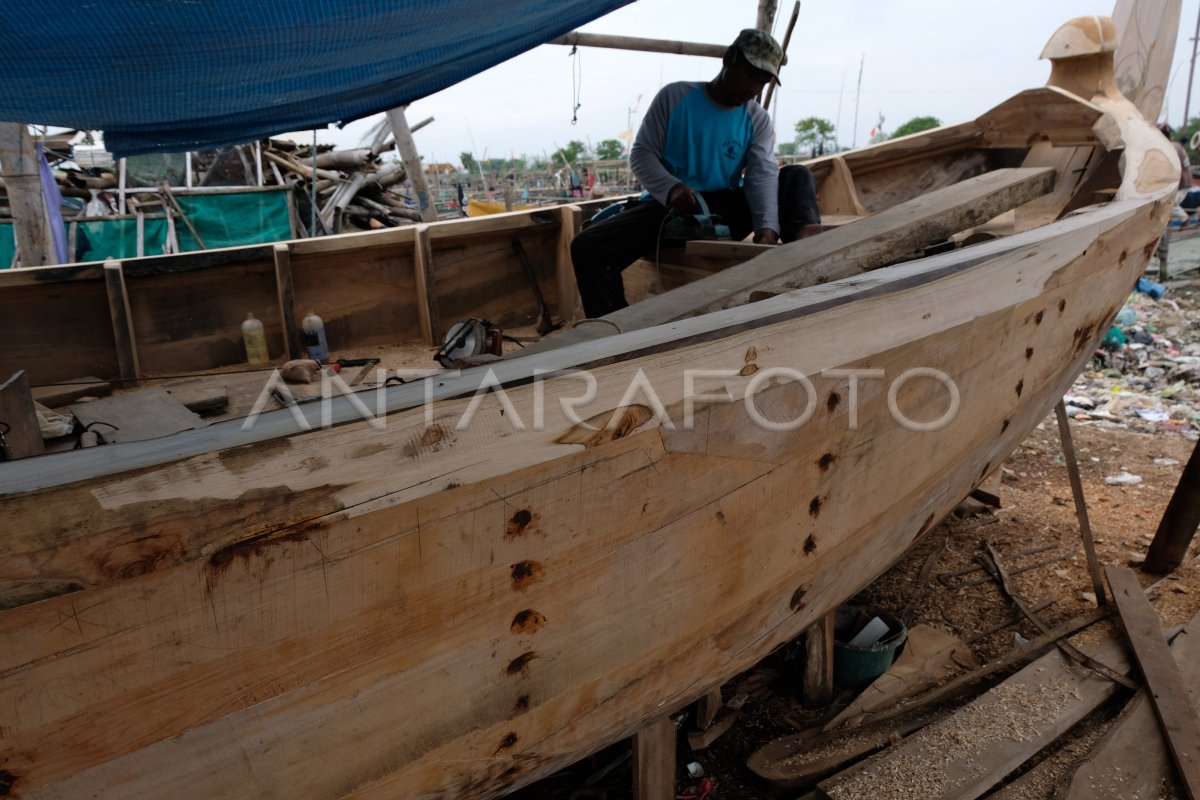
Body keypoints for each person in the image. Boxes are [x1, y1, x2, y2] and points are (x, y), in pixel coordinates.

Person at [570, 28, 820, 318]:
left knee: (796, 176)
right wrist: (672, 187)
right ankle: (613, 333)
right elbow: (642, 154)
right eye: (750, 75)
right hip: (668, 209)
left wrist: (768, 226)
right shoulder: (675, 97)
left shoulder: (756, 118)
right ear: (729, 58)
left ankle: (809, 253)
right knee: (587, 247)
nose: (753, 88)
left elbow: (762, 174)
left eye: (762, 82)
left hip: (724, 209)